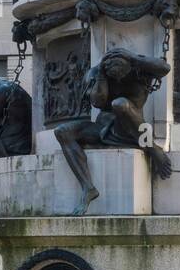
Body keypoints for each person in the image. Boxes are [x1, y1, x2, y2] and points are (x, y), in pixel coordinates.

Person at [54, 49, 171, 214]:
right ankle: (88, 188)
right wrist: (101, 73)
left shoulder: (140, 68)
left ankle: (153, 148)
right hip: (103, 127)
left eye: (121, 74)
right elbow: (97, 102)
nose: (118, 78)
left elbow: (165, 68)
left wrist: (133, 57)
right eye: (113, 75)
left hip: (132, 129)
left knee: (119, 104)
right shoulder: (96, 72)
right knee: (62, 131)